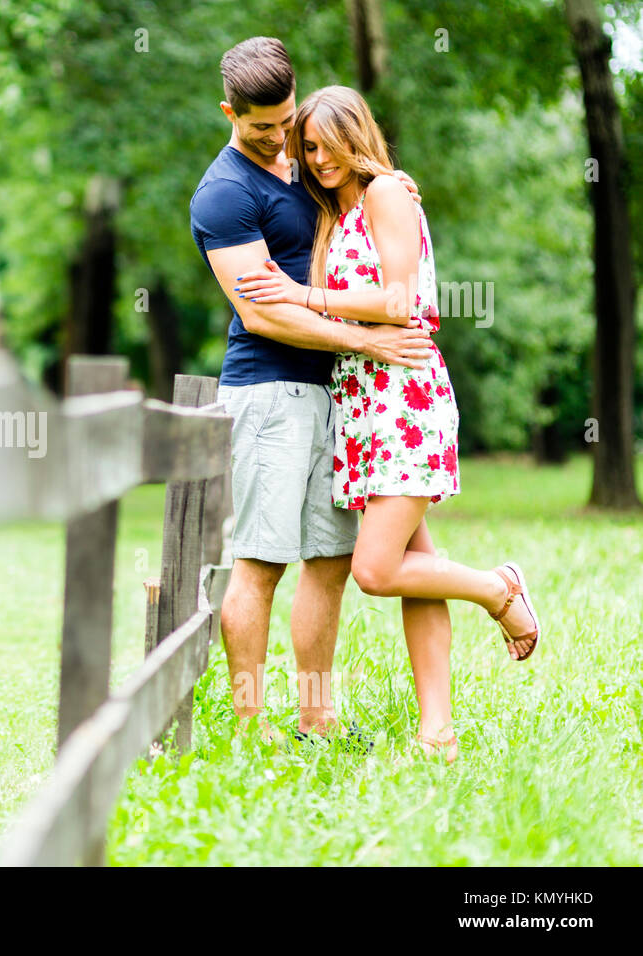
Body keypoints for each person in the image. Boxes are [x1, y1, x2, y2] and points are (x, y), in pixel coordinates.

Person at [233, 85, 542, 762]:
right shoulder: (331, 216)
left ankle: (498, 588)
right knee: (417, 564)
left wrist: (300, 293)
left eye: (326, 144)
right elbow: (333, 317)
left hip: (405, 397)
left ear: (356, 134)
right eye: (305, 147)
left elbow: (398, 300)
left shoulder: (385, 195)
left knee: (375, 569)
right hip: (359, 404)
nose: (317, 159)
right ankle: (438, 731)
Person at [190, 36, 435, 747]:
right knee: (261, 565)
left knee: (328, 565)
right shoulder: (225, 192)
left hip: (337, 395)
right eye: (259, 127)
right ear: (229, 111)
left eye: (284, 121)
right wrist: (365, 338)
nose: (276, 139)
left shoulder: (301, 159)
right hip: (268, 395)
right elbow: (262, 310)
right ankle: (248, 726)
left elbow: (358, 197)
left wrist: (393, 184)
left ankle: (316, 719)